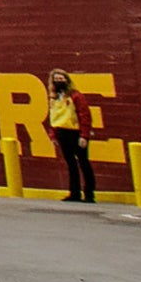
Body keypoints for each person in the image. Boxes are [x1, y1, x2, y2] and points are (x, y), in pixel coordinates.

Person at [47, 69, 95, 204]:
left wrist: (84, 135)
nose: (58, 82)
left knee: (83, 162)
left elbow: (84, 115)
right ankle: (74, 193)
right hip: (62, 132)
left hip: (76, 132)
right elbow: (53, 116)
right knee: (71, 164)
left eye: (61, 79)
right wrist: (53, 135)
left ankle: (89, 194)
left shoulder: (76, 96)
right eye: (56, 79)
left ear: (67, 80)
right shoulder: (54, 98)